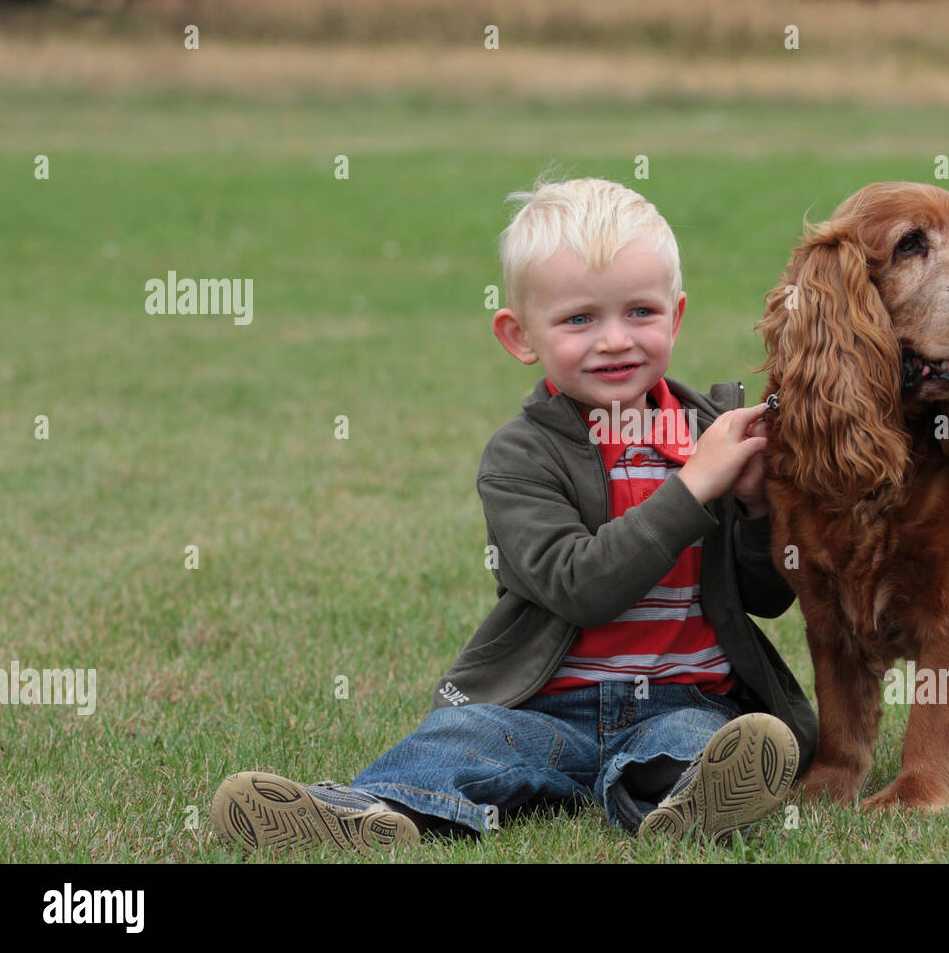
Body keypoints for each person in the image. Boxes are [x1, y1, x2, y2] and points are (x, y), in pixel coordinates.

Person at [210, 177, 818, 855]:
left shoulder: (713, 437)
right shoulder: (521, 457)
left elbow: (766, 596)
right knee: (462, 740)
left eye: (640, 312)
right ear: (519, 335)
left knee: (698, 744)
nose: (615, 340)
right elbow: (579, 586)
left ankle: (688, 799)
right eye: (579, 319)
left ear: (676, 317)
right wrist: (695, 487)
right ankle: (362, 811)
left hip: (686, 698)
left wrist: (758, 508)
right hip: (546, 707)